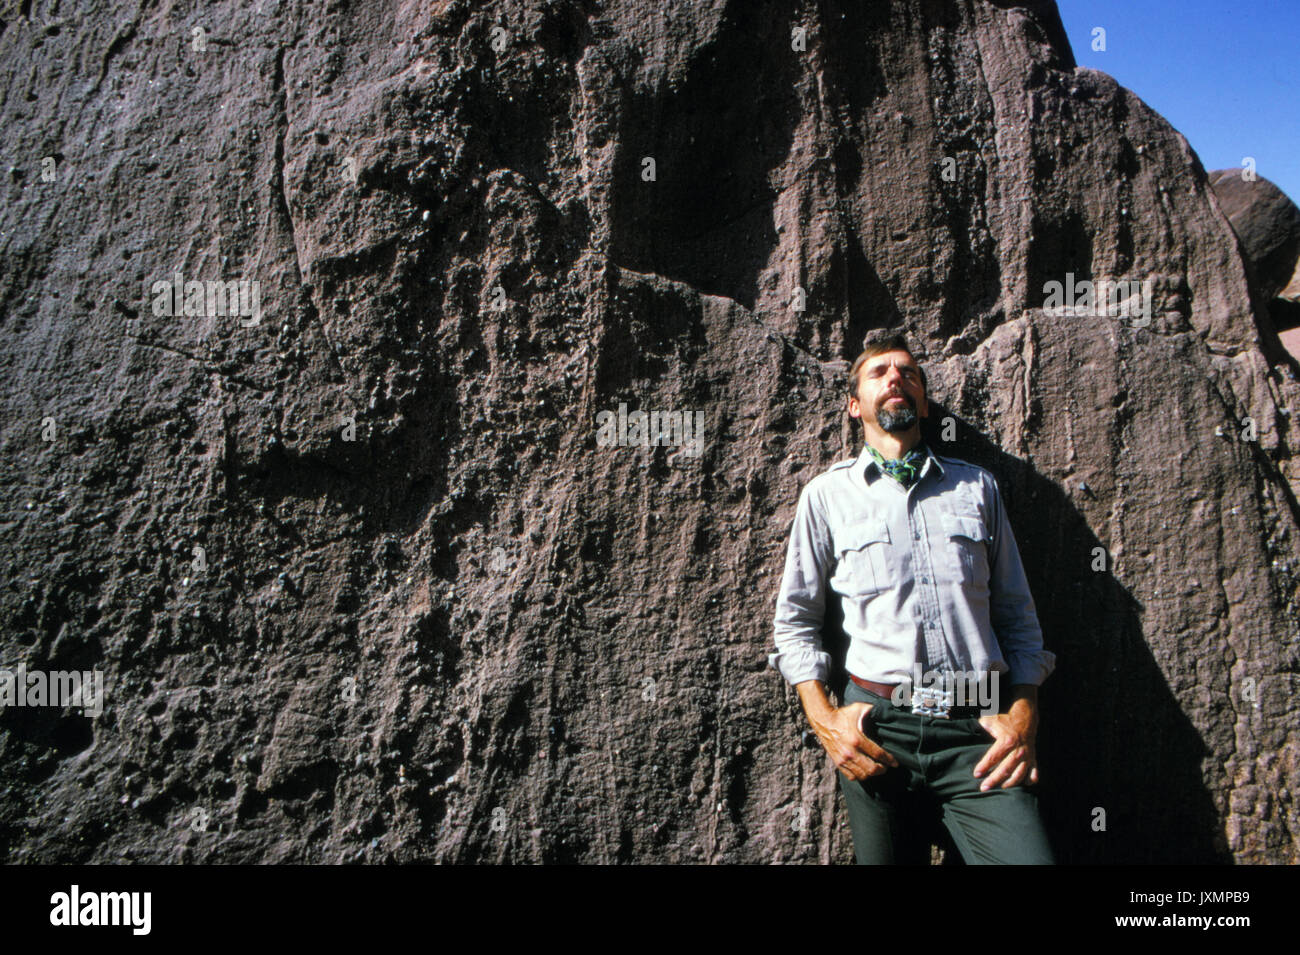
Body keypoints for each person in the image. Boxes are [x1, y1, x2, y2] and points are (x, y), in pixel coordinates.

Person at [768, 333, 1057, 864]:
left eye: (909, 372)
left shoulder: (977, 489)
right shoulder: (827, 496)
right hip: (879, 733)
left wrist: (1023, 713)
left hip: (979, 733)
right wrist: (826, 721)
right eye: (878, 373)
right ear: (855, 406)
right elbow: (795, 623)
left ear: (923, 402)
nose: (895, 378)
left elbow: (1018, 615)